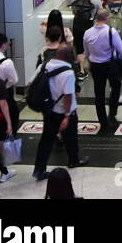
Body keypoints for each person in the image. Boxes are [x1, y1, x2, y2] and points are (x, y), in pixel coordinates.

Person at [32, 46, 88, 181]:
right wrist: (67, 116)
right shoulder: (68, 72)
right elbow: (68, 96)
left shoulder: (44, 66)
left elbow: (31, 82)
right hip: (63, 111)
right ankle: (73, 160)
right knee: (71, 137)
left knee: (46, 140)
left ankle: (39, 170)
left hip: (49, 110)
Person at [82, 9, 122, 129]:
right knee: (116, 86)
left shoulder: (87, 33)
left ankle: (103, 121)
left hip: (95, 67)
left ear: (96, 18)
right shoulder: (110, 32)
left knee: (99, 93)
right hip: (109, 65)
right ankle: (112, 115)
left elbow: (86, 53)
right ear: (107, 18)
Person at [0, 34, 19, 143]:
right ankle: (7, 147)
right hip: (5, 95)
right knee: (11, 116)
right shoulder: (7, 62)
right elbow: (14, 80)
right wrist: (4, 87)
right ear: (4, 45)